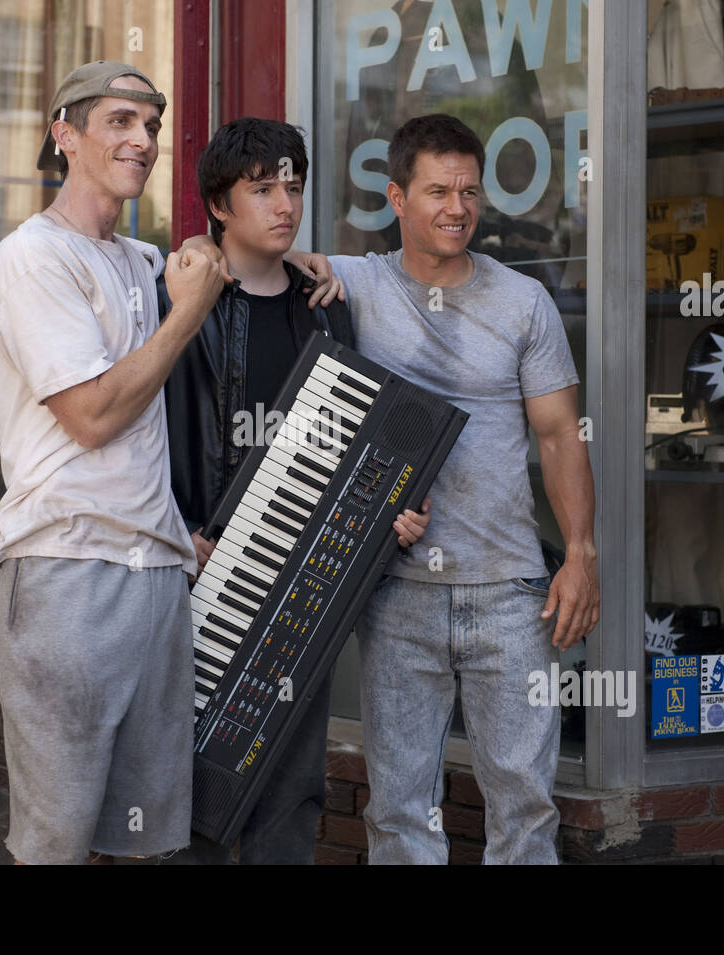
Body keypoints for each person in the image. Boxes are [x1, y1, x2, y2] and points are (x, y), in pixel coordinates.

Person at [330, 114, 600, 864]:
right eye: (438, 190)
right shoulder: (352, 284)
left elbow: (558, 436)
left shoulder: (522, 302)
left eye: (470, 191)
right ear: (396, 197)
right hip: (394, 590)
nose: (458, 207)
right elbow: (252, 261)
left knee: (525, 803)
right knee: (400, 809)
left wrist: (578, 554)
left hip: (510, 589)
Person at [162, 117, 430, 864]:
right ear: (219, 204)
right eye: (262, 189)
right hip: (204, 566)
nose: (285, 203)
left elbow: (349, 441)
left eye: (294, 186)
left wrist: (390, 510)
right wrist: (174, 528)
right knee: (195, 785)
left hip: (303, 575)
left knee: (290, 787)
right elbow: (147, 429)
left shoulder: (325, 301)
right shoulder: (181, 296)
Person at [0, 60, 227, 864]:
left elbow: (245, 269)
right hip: (66, 571)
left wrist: (325, 269)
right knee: (57, 837)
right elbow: (92, 415)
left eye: (151, 125)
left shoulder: (140, 261)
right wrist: (186, 313)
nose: (144, 140)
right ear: (66, 134)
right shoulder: (33, 257)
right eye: (120, 121)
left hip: (155, 574)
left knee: (146, 839)